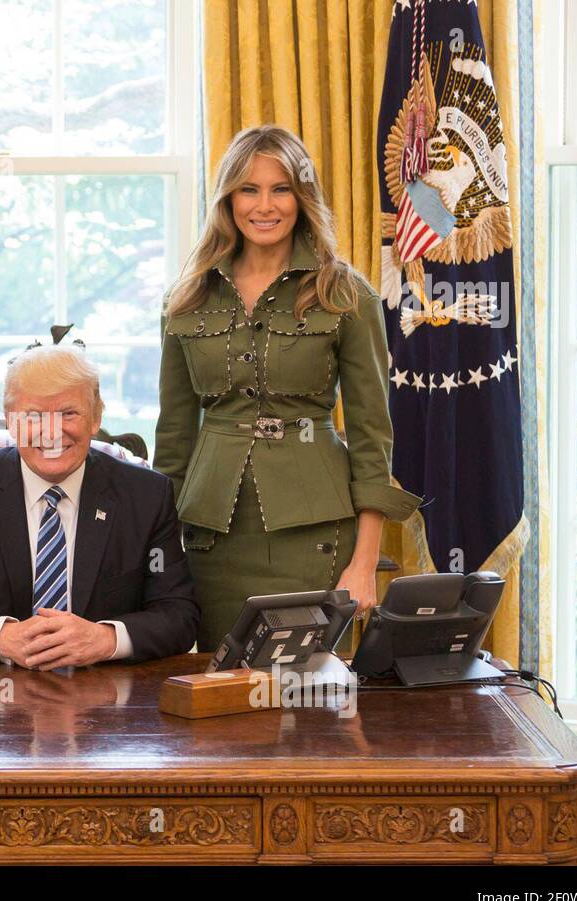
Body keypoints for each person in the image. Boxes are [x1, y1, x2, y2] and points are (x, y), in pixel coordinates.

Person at [154, 124, 422, 653]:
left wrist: (364, 564)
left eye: (281, 189)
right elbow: (173, 443)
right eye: (248, 189)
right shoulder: (185, 298)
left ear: (302, 197)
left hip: (316, 537)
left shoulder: (346, 294)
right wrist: (157, 560)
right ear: (227, 199)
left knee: (311, 710)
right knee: (218, 708)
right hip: (210, 540)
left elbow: (373, 442)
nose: (265, 205)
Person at [0, 345, 198, 667]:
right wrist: (1, 637)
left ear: (96, 417)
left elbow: (179, 614)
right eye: (34, 416)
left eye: (69, 413)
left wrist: (106, 639)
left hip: (103, 695)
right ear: (11, 421)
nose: (52, 432)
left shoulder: (146, 496)